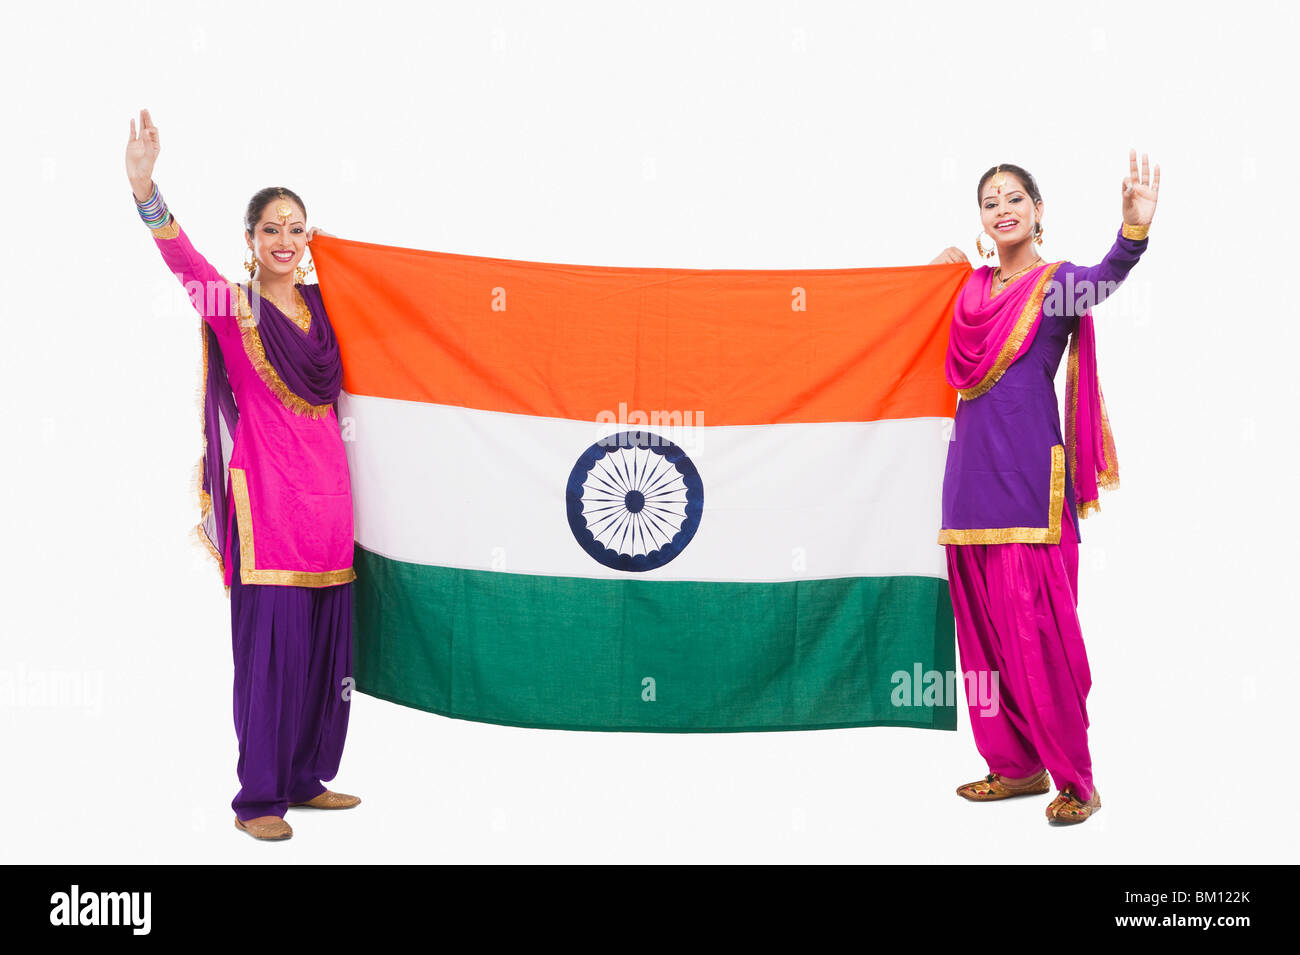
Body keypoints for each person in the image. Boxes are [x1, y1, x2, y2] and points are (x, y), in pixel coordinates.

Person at [126, 108, 361, 841]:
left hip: (331, 505)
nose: (286, 240)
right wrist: (145, 189)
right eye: (271, 229)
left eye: (297, 228)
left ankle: (305, 776)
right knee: (270, 654)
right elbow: (184, 262)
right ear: (251, 240)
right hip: (268, 503)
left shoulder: (329, 311)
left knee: (327, 653)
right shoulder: (235, 308)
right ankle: (259, 797)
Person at [928, 151, 1159, 824]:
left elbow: (1107, 277)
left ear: (1037, 211)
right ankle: (1014, 765)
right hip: (966, 481)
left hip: (1030, 482)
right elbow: (906, 326)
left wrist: (1133, 233)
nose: (1002, 209)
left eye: (1014, 199)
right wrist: (928, 279)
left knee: (1037, 633)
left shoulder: (1055, 287)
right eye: (990, 201)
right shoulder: (967, 290)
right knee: (984, 635)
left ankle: (1076, 780)